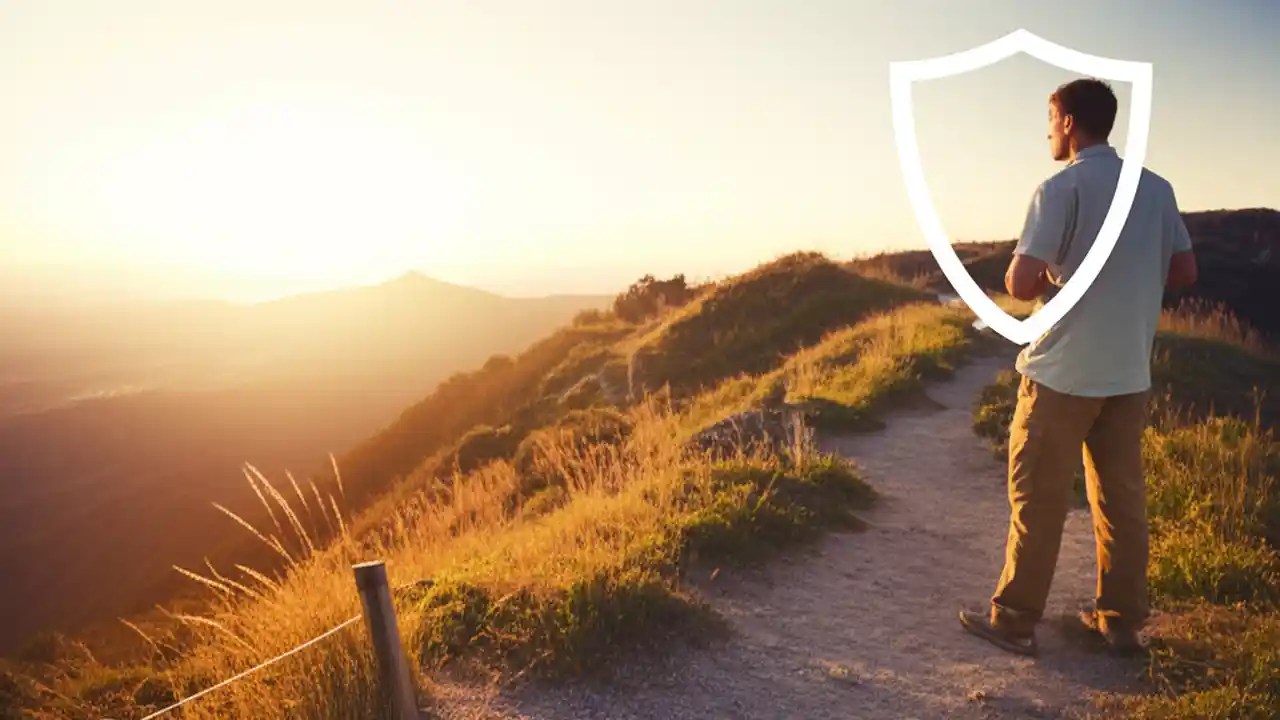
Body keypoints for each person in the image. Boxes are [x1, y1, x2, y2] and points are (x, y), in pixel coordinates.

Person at [958, 78, 1198, 657]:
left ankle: (1015, 621)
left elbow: (1020, 283)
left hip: (1062, 374)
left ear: (1067, 122)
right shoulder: (1156, 188)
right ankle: (1120, 624)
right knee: (1121, 501)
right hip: (1129, 373)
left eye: (1050, 120)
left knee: (1037, 497)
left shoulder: (1060, 188)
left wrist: (1053, 274)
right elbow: (1185, 273)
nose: (1047, 132)